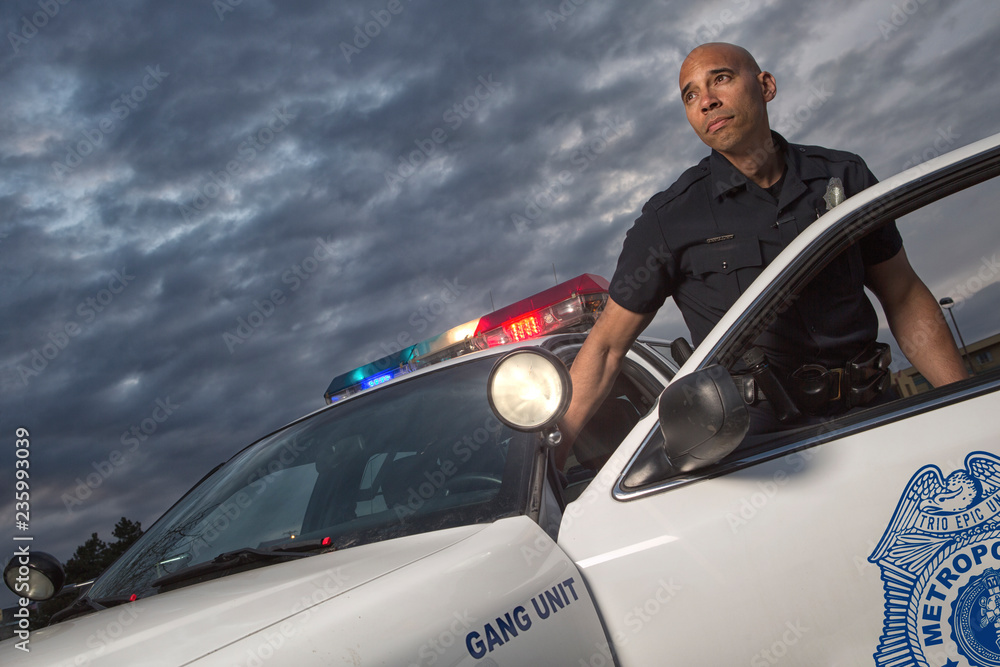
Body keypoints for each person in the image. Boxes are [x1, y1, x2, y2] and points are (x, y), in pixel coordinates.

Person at [555, 42, 968, 469]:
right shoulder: (668, 220)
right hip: (760, 451)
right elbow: (604, 350)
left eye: (721, 79)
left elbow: (902, 295)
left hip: (875, 416)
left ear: (765, 85)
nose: (707, 101)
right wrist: (548, 472)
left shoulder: (844, 176)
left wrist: (964, 403)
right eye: (690, 95)